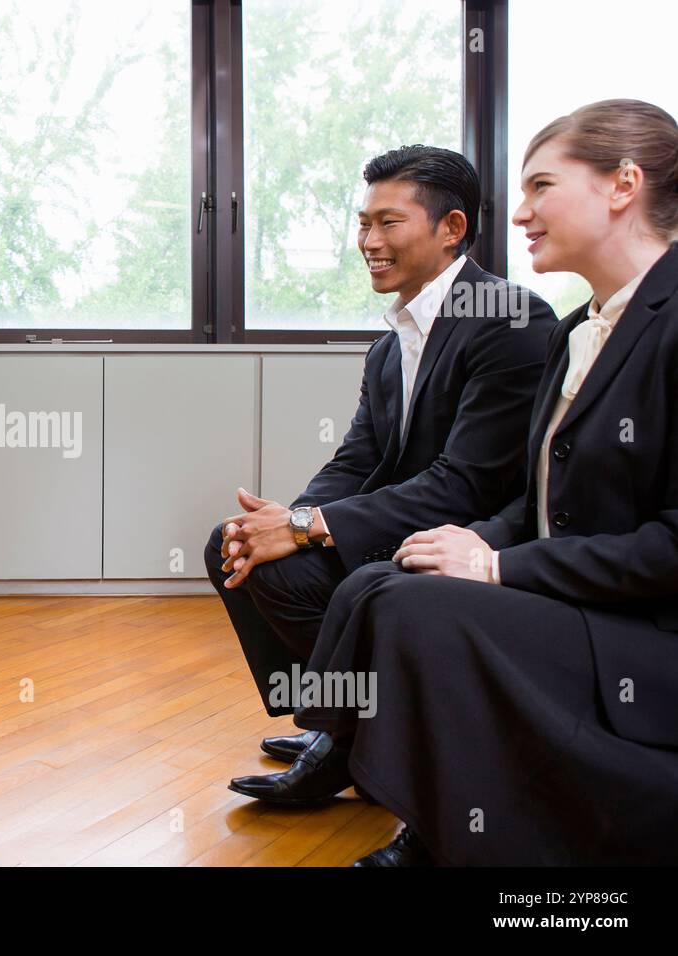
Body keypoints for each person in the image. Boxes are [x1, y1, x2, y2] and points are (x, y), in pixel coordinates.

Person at [297, 99, 678, 865]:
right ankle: (379, 768)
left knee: (415, 607)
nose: (523, 212)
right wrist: (480, 537)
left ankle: (440, 826)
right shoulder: (580, 331)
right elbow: (542, 501)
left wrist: (501, 564)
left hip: (651, 636)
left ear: (622, 185)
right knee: (384, 581)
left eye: (542, 186)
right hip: (584, 598)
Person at [204, 146, 556, 806]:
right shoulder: (389, 344)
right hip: (400, 525)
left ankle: (347, 738)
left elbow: (468, 484)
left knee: (334, 569)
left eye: (388, 223)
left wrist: (306, 528)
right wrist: (287, 521)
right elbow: (358, 460)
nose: (368, 241)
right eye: (363, 224)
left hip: (474, 537)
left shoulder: (510, 320)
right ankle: (346, 719)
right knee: (238, 548)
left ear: (450, 228)